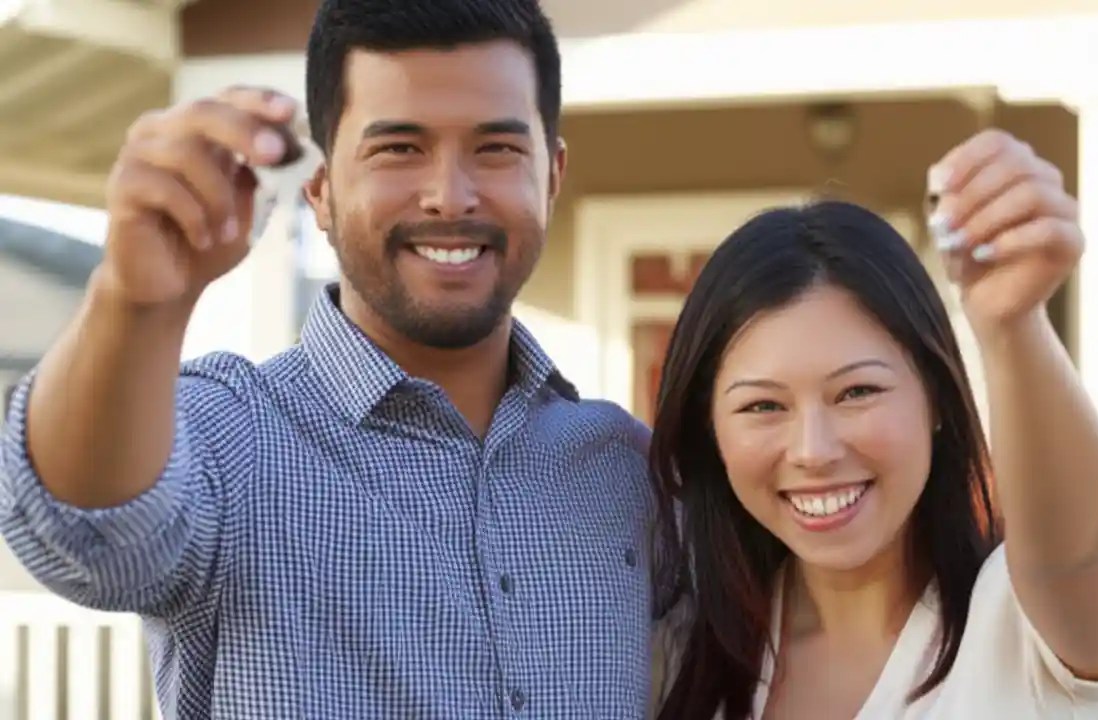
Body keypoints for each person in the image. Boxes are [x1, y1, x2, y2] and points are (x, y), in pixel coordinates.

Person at [0, 1, 662, 717]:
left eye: (496, 149)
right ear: (320, 189)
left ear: (553, 176)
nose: (450, 195)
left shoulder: (629, 469)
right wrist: (132, 301)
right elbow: (87, 529)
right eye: (399, 149)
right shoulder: (231, 439)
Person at [647, 131, 1098, 719]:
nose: (813, 450)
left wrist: (1012, 322)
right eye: (763, 406)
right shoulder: (677, 660)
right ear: (709, 428)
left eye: (857, 392)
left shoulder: (1025, 623)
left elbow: (1080, 552)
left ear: (936, 398)